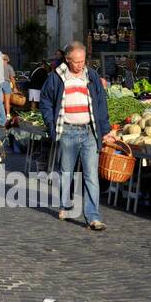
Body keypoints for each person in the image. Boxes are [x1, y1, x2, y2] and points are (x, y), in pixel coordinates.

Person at [39, 42, 113, 232]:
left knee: (91, 176)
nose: (80, 65)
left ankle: (93, 217)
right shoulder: (56, 77)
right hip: (68, 131)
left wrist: (105, 130)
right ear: (67, 59)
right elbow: (45, 100)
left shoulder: (91, 75)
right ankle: (65, 205)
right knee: (66, 172)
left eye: (83, 61)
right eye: (76, 62)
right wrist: (50, 122)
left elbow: (100, 102)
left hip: (89, 131)